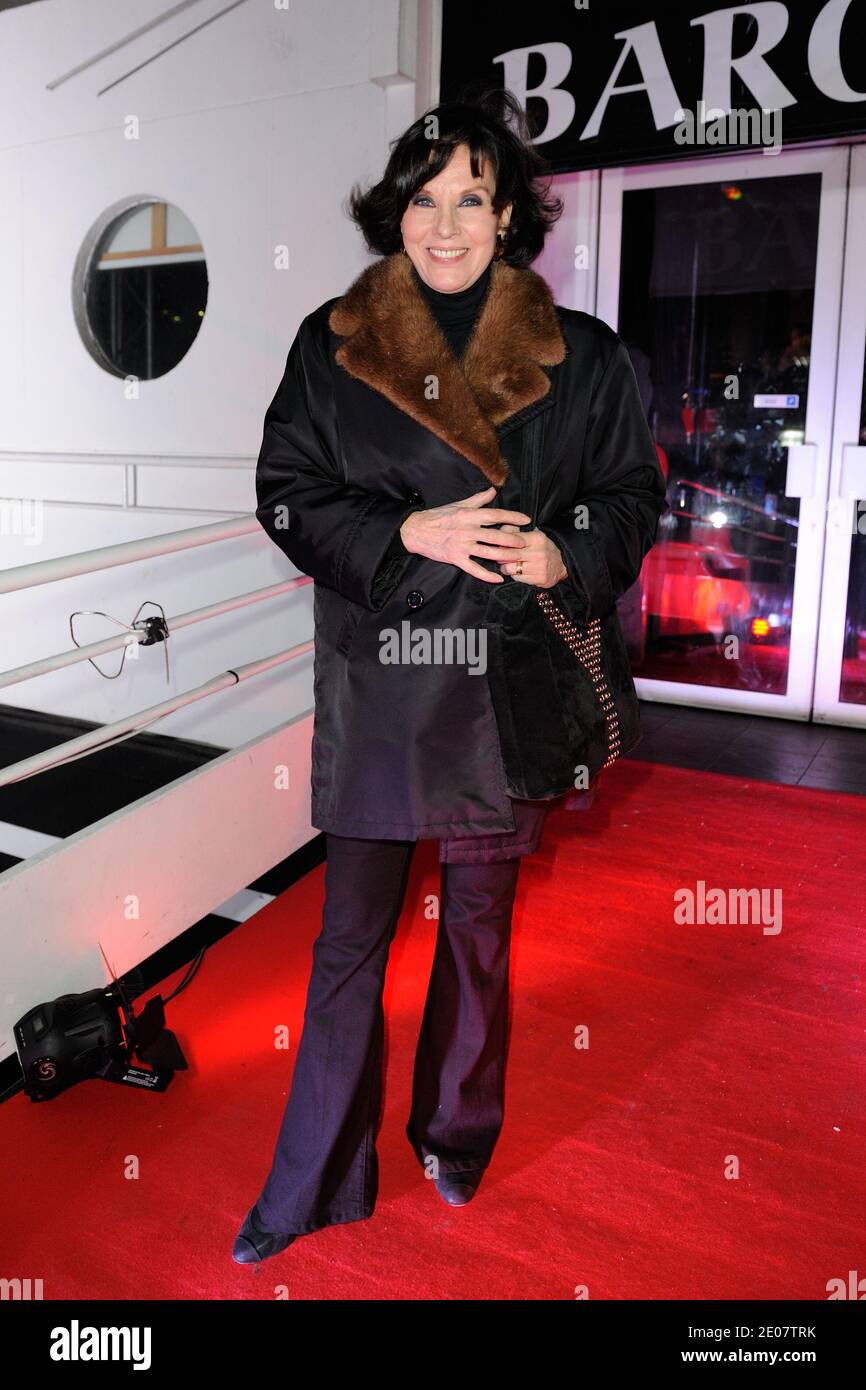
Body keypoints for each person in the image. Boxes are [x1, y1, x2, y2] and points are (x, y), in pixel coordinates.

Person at [233, 88, 668, 1264]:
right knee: (347, 942)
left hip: (507, 682)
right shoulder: (332, 346)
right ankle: (311, 1177)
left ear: (509, 213)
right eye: (423, 200)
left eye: (469, 198)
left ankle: (454, 1137)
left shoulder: (582, 357)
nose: (443, 224)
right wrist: (401, 536)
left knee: (476, 929)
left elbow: (634, 495)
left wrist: (561, 546)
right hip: (383, 677)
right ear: (395, 212)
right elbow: (284, 490)